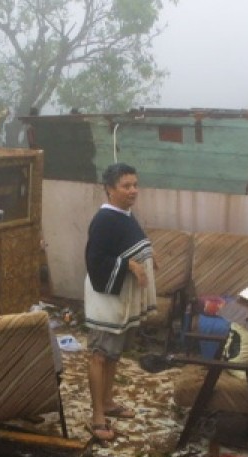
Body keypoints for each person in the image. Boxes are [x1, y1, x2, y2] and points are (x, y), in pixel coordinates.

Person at [83, 162, 157, 441]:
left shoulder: (125, 215)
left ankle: (108, 402)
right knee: (99, 354)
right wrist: (128, 264)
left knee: (113, 354)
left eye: (135, 185)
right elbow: (95, 260)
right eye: (126, 186)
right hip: (106, 296)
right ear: (110, 189)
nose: (133, 190)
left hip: (122, 296)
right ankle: (97, 416)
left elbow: (132, 242)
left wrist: (149, 255)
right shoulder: (104, 219)